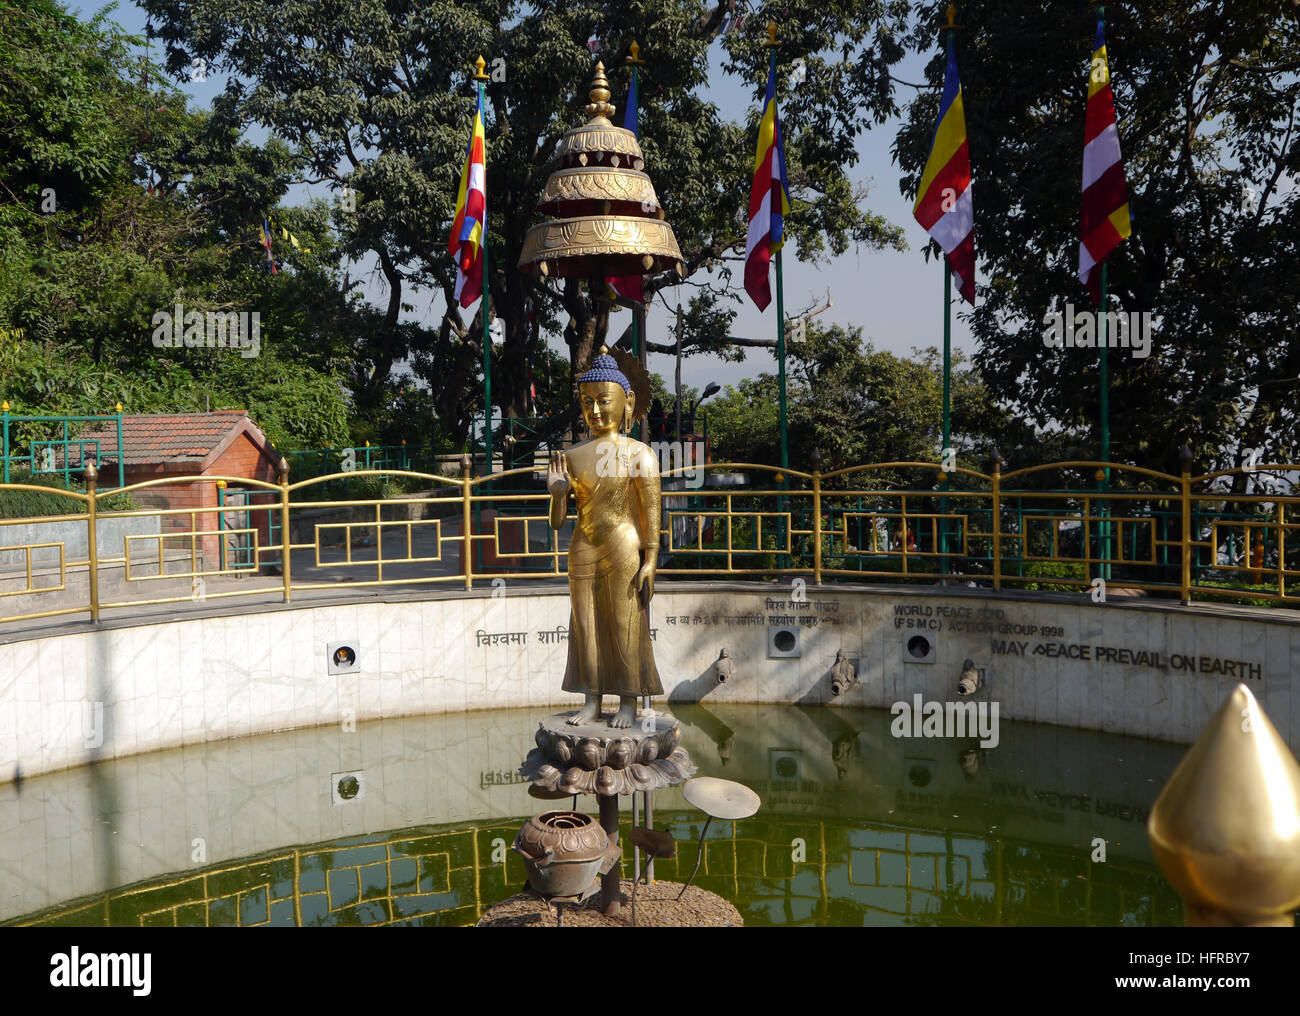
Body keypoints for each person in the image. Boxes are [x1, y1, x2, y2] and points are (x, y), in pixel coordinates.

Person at [547, 347, 663, 728]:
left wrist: (650, 561)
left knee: (625, 622)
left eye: (603, 401)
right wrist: (559, 493)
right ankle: (591, 699)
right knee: (585, 627)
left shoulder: (640, 454)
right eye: (586, 402)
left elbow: (650, 516)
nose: (594, 411)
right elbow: (557, 522)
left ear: (627, 402)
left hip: (625, 547)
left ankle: (628, 701)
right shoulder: (573, 455)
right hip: (582, 547)